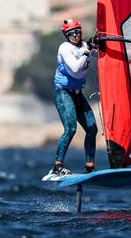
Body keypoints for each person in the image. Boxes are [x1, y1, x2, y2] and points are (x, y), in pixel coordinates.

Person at [42, 19, 98, 180]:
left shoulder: (84, 45)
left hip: (77, 94)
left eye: (77, 32)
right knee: (71, 129)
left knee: (92, 128)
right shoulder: (65, 48)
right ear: (67, 35)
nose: (75, 35)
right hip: (63, 93)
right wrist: (88, 51)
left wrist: (99, 44)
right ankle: (57, 167)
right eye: (71, 33)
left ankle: (90, 167)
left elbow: (100, 55)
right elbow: (75, 69)